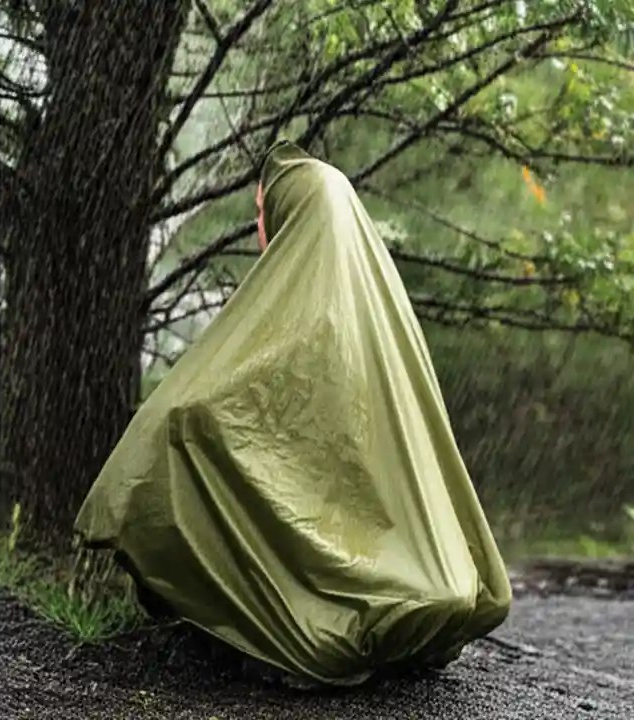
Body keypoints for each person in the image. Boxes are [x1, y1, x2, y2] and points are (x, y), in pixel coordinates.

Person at [74, 140, 511, 687]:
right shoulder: (380, 313)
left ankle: (282, 619)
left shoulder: (313, 304)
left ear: (295, 212)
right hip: (423, 568)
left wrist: (178, 418)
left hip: (362, 550)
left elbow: (259, 406)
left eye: (263, 211)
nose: (260, 225)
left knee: (182, 427)